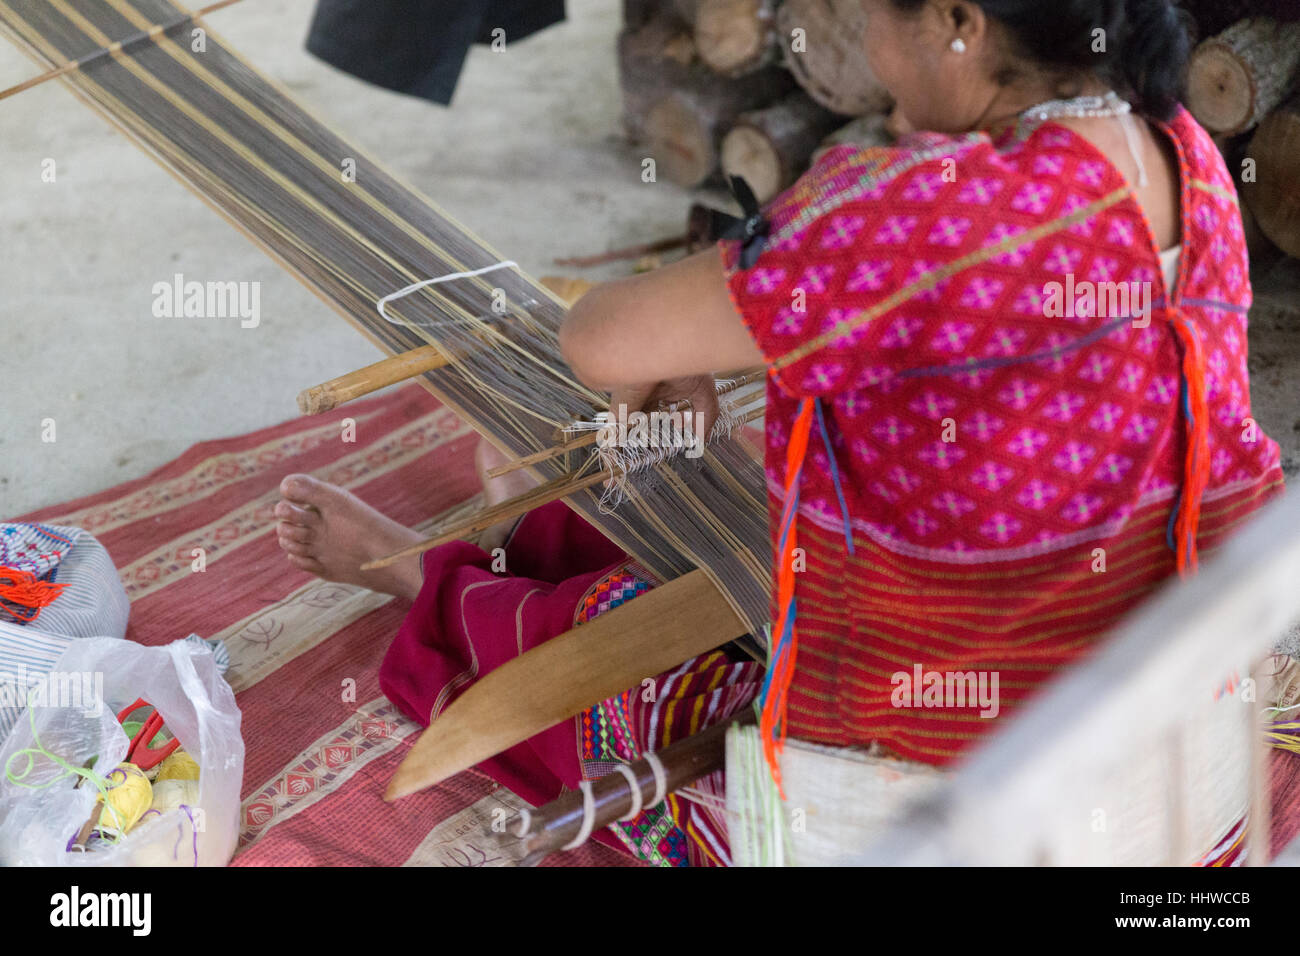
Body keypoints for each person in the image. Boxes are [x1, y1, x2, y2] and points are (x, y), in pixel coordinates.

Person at [276, 0, 1284, 865]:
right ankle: (506, 537)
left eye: (868, 21)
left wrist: (715, 325)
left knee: (617, 640)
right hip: (1183, 802)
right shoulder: (1182, 155)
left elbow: (596, 338)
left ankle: (429, 583)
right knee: (711, 550)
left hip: (947, 825)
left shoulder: (911, 213)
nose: (867, 56)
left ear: (959, 25)